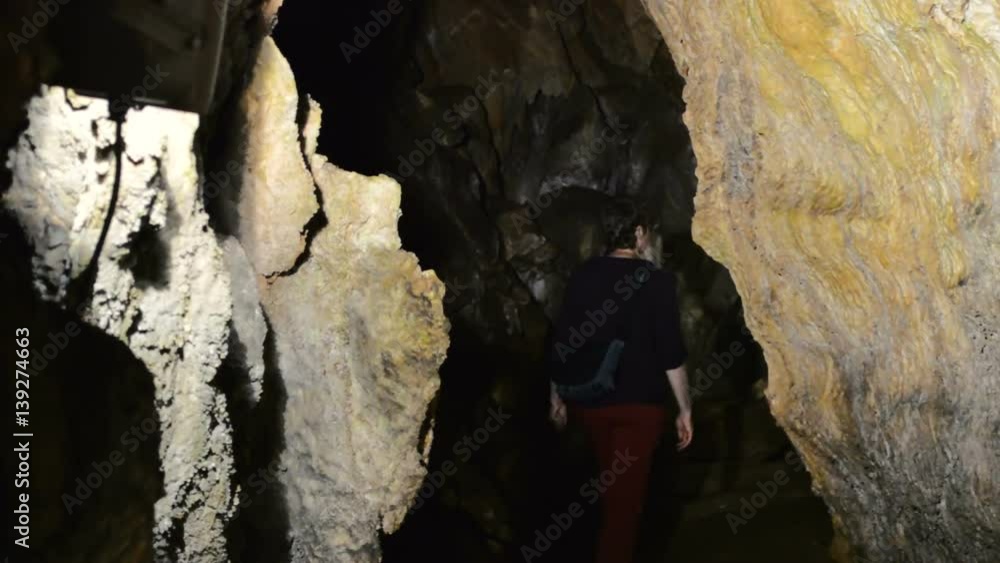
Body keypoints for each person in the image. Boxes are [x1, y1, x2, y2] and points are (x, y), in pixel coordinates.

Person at [548, 199, 692, 563]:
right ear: (640, 234)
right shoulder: (657, 281)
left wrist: (557, 396)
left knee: (613, 496)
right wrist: (685, 408)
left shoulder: (583, 275)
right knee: (624, 508)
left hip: (591, 403)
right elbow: (671, 352)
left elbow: (563, 340)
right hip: (639, 407)